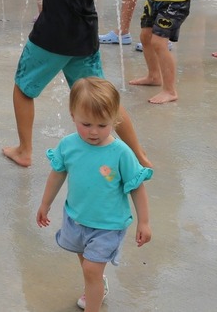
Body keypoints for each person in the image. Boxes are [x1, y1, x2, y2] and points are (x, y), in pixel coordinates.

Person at [2, 0, 148, 170]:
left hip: (50, 34)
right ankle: (139, 155)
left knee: (24, 90)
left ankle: (24, 150)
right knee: (103, 99)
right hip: (85, 37)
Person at [37, 78, 152, 312]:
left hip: (108, 224)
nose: (93, 131)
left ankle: (93, 301)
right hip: (76, 218)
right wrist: (45, 204)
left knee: (91, 269)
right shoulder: (68, 145)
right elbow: (57, 174)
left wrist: (144, 222)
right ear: (73, 115)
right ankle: (97, 283)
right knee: (87, 264)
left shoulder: (120, 152)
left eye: (102, 125)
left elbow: (136, 186)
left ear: (115, 119)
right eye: (86, 124)